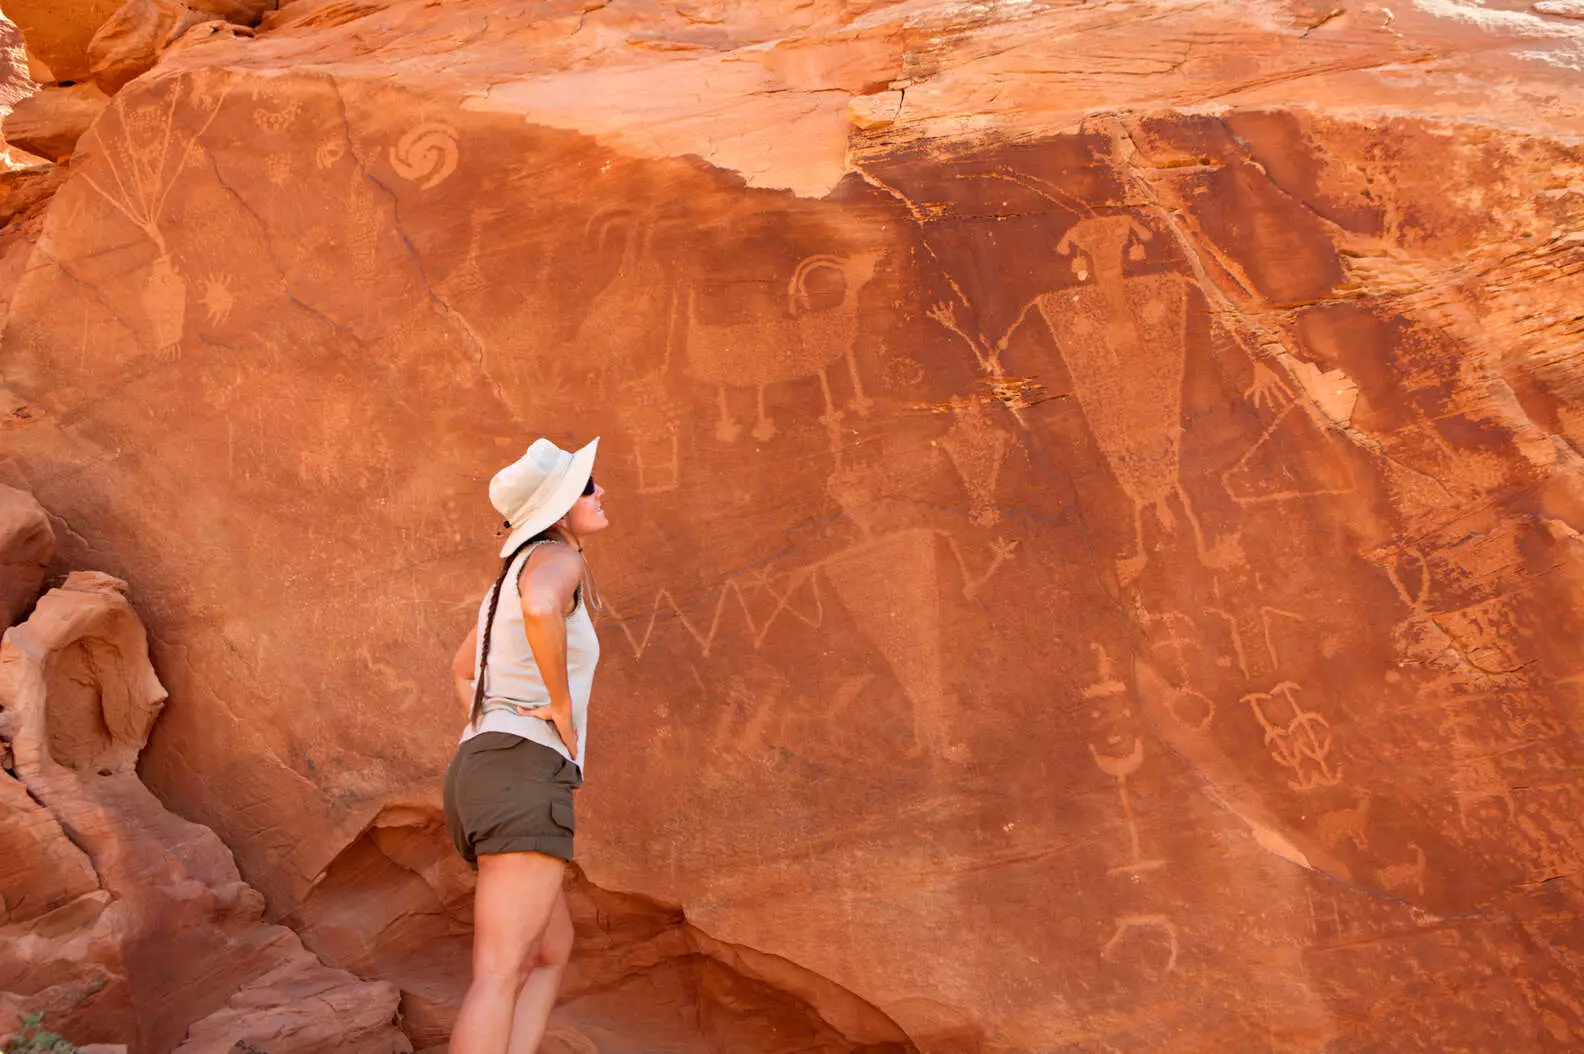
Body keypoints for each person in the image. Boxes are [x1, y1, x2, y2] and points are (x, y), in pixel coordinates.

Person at [443, 436, 607, 1054]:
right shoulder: (557, 561)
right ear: (562, 508)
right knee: (499, 973)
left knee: (548, 951)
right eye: (589, 486)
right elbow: (543, 607)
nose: (600, 491)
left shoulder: (504, 582)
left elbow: (463, 671)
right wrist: (558, 708)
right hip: (522, 771)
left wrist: (497, 725)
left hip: (479, 770)